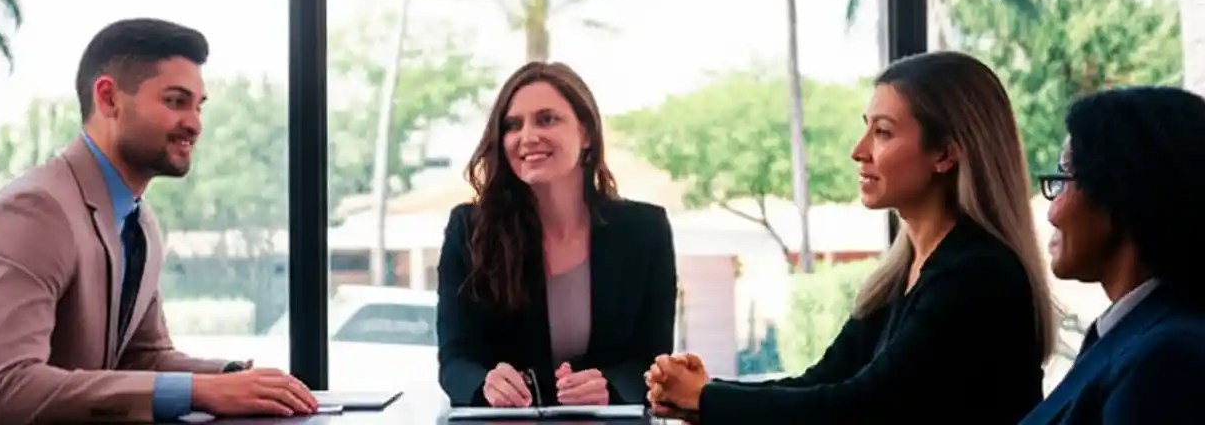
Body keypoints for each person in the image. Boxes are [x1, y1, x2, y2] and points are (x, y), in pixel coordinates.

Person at [0, 18, 318, 423]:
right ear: (109, 98)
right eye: (175, 101)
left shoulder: (138, 222)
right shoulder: (32, 212)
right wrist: (201, 391)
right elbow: (6, 390)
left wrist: (237, 380)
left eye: (198, 106)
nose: (195, 124)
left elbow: (142, 358)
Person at [647, 51, 1054, 424]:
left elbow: (859, 408)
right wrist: (705, 396)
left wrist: (708, 399)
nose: (859, 151)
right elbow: (822, 381)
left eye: (883, 132)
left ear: (945, 154)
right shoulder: (906, 273)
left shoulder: (977, 275)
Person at [437, 61, 677, 408]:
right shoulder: (469, 229)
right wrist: (485, 383)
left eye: (547, 119)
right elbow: (455, 360)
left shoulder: (644, 230)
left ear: (587, 133)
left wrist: (610, 386)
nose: (528, 136)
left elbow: (653, 359)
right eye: (512, 125)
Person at [1019, 86, 1205, 424]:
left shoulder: (1165, 359)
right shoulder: (1135, 332)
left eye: (1064, 178)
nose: (1052, 211)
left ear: (1115, 197)